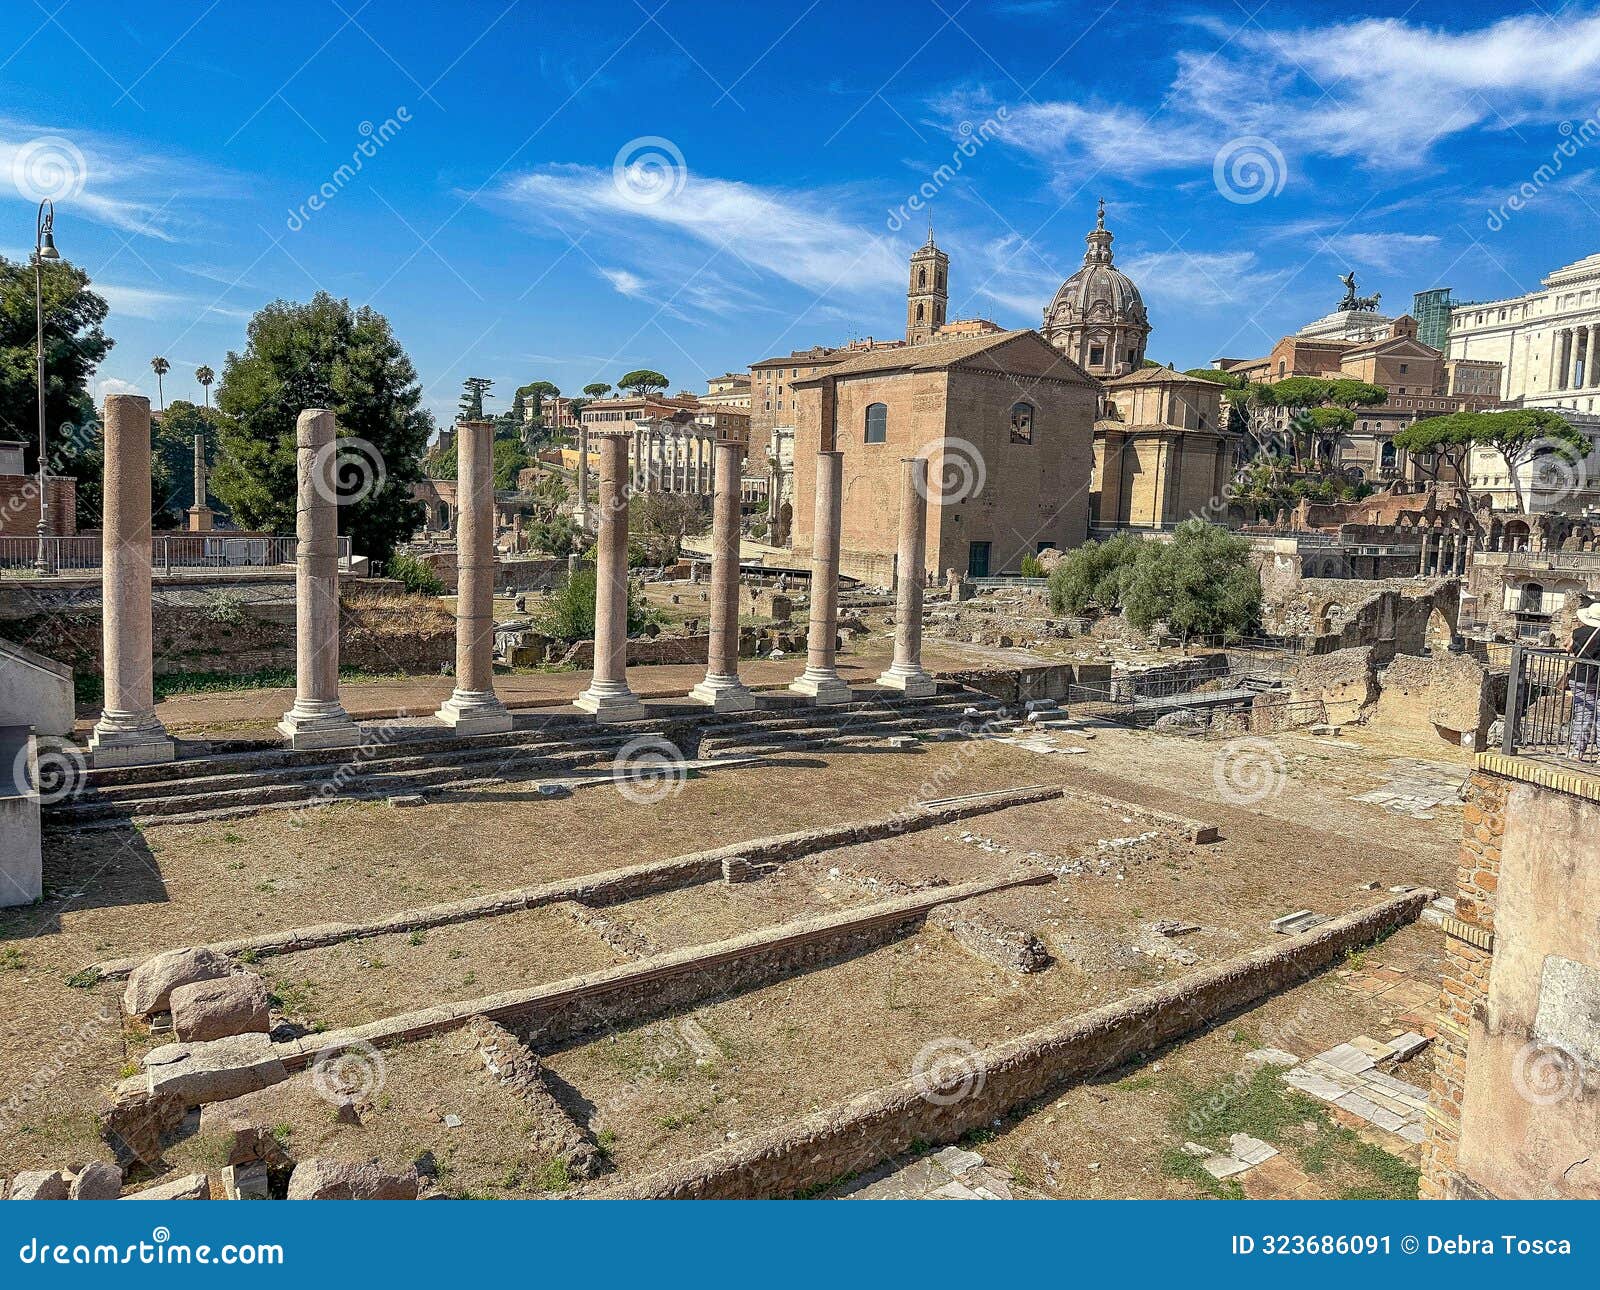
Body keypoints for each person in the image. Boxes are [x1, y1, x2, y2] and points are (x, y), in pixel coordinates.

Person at [1569, 596, 1600, 760]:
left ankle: (1578, 751)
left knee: (1583, 714)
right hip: (1597, 679)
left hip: (1580, 677)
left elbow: (1568, 646)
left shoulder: (1578, 633)